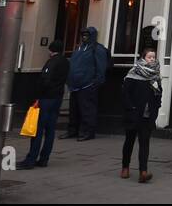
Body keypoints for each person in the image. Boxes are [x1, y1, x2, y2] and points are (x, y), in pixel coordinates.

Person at [21, 41, 69, 170]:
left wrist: (38, 96)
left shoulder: (52, 62)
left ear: (51, 50)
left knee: (38, 129)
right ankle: (44, 158)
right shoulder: (65, 62)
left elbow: (45, 80)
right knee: (50, 130)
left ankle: (31, 159)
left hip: (47, 98)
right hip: (57, 97)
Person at [120, 48, 161, 183]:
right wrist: (130, 108)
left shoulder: (155, 75)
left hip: (147, 115)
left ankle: (143, 172)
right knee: (129, 141)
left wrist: (156, 108)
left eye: (153, 57)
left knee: (144, 143)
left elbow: (159, 93)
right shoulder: (134, 72)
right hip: (134, 113)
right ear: (143, 58)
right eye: (149, 57)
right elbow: (125, 93)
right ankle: (125, 167)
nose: (152, 59)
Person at [63, 27, 109, 141]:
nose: (84, 37)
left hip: (87, 85)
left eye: (87, 35)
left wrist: (95, 83)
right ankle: (73, 130)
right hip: (75, 85)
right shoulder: (79, 48)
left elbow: (101, 67)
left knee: (87, 111)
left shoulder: (97, 49)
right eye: (83, 35)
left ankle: (87, 132)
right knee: (74, 110)